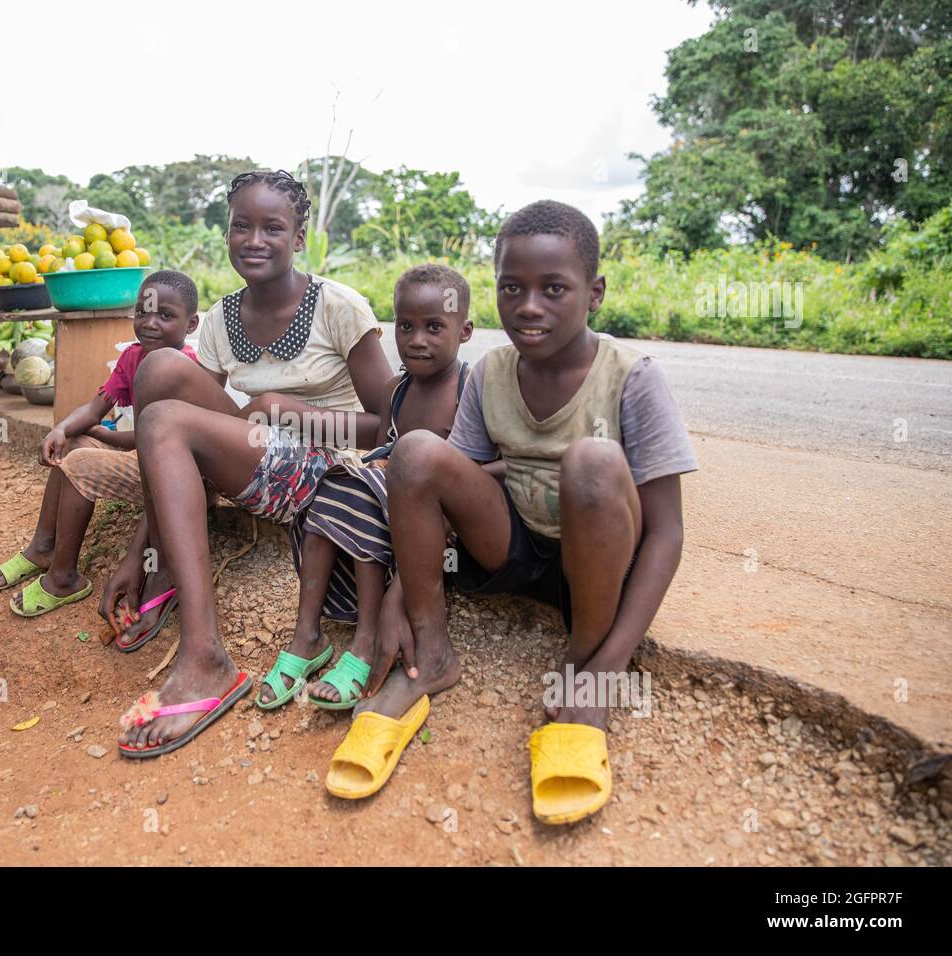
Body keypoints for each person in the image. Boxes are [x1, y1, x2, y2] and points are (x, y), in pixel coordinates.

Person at [349, 200, 698, 817]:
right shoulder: (491, 371)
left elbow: (666, 533)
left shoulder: (631, 377)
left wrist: (609, 665)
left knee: (591, 463)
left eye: (553, 289)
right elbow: (445, 483)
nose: (529, 306)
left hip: (598, 575)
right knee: (416, 451)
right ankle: (431, 656)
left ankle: (585, 661)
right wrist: (401, 593)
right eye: (512, 287)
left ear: (594, 294)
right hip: (512, 548)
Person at [103, 169, 394, 757]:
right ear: (227, 231)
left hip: (326, 470)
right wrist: (139, 553)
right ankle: (165, 572)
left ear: (299, 235)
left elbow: (389, 425)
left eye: (272, 227)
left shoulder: (340, 307)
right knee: (159, 370)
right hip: (256, 460)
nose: (254, 240)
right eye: (242, 226)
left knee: (160, 412)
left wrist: (291, 411)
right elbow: (171, 422)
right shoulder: (219, 318)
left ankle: (205, 657)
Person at [255, 263, 474, 711]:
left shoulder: (469, 388)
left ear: (465, 330)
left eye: (435, 327)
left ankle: (366, 640)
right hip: (381, 509)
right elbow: (379, 453)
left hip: (433, 528)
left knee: (357, 488)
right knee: (335, 483)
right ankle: (306, 635)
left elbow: (468, 477)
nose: (417, 339)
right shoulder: (395, 391)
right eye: (406, 327)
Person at [0, 270, 199, 628]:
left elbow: (161, 440)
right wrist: (61, 427)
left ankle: (63, 579)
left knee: (82, 460)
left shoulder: (183, 369)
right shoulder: (133, 356)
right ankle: (43, 547)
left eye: (165, 316)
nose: (149, 323)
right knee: (73, 440)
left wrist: (108, 436)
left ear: (191, 324)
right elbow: (94, 407)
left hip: (172, 475)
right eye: (142, 312)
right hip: (144, 459)